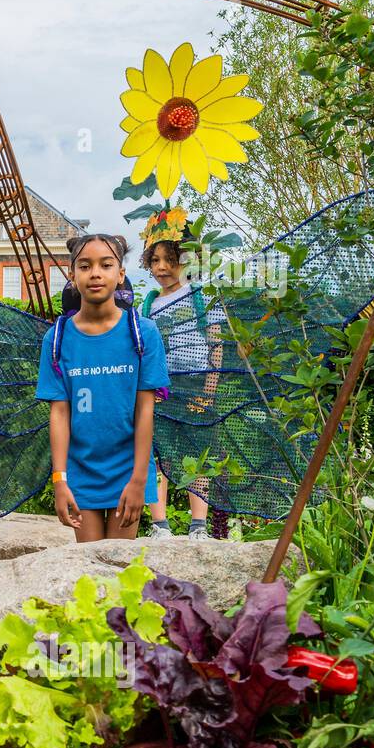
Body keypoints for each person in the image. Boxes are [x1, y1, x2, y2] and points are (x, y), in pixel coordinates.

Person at [37, 234, 169, 542]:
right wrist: (60, 480)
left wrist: (139, 480)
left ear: (120, 274)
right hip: (80, 471)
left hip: (129, 469)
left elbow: (145, 411)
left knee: (119, 573)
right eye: (85, 266)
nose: (95, 273)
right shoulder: (56, 340)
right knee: (89, 569)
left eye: (106, 265)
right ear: (72, 275)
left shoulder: (143, 334)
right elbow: (59, 413)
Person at [137, 207, 223, 540]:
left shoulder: (202, 297)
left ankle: (198, 525)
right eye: (155, 260)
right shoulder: (147, 304)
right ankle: (159, 525)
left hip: (196, 385)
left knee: (196, 454)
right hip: (160, 387)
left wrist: (209, 390)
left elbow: (215, 346)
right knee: (156, 453)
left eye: (170, 259)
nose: (162, 267)